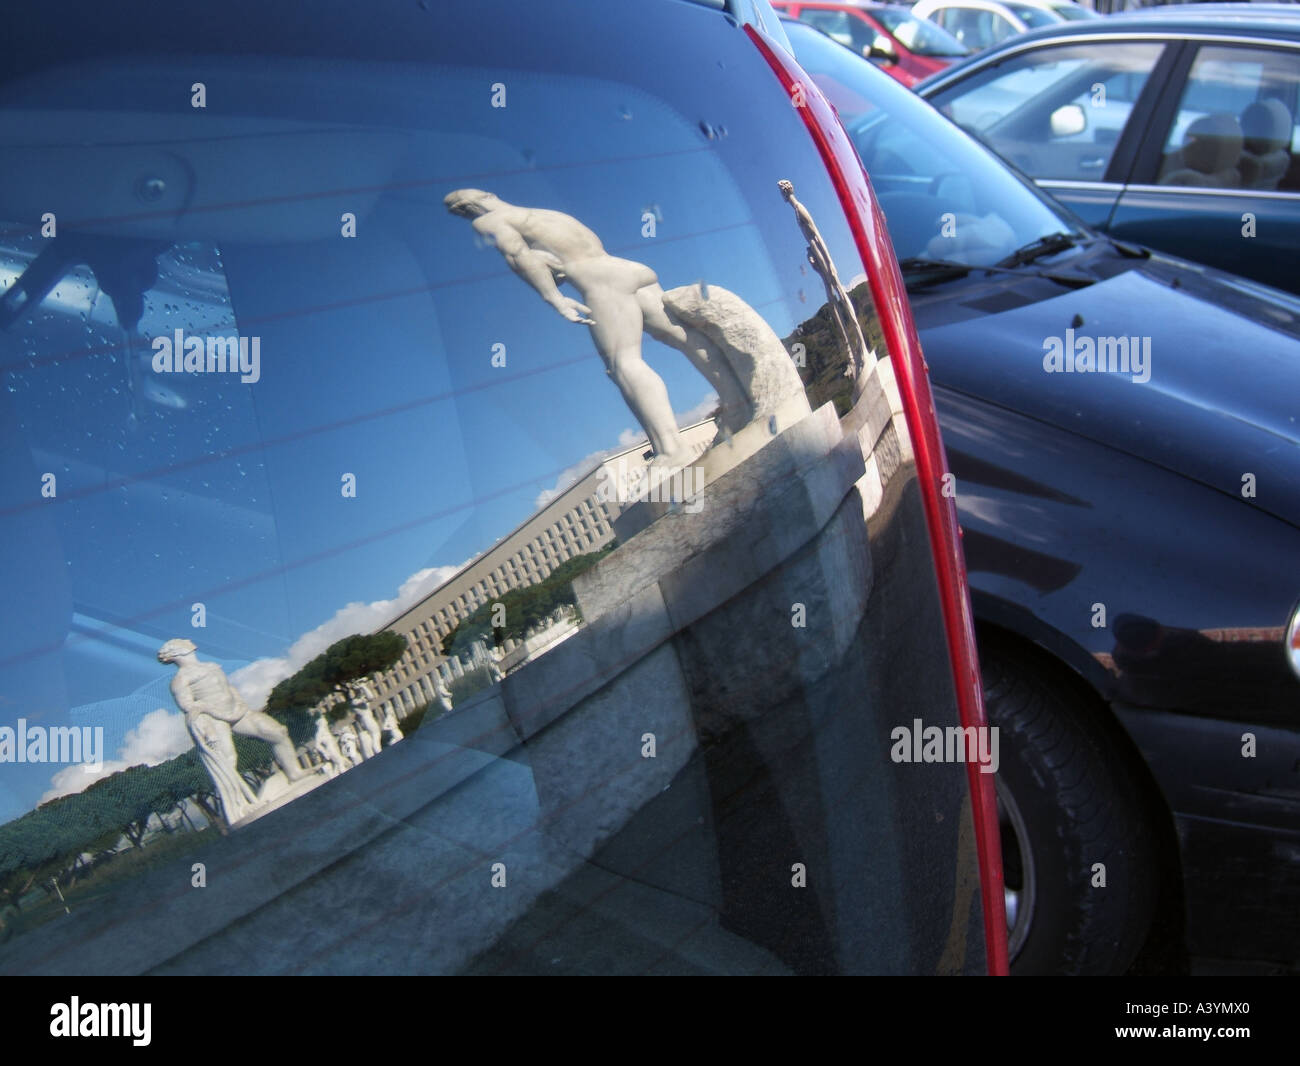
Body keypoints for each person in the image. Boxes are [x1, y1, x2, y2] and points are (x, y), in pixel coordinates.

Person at [445, 189, 751, 464]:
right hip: (626, 268)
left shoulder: (489, 222)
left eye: (460, 211)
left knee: (624, 365)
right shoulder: (544, 215)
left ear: (468, 207)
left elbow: (518, 256)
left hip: (601, 281)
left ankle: (672, 451)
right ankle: (740, 406)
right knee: (682, 337)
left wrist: (555, 299)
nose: (466, 216)